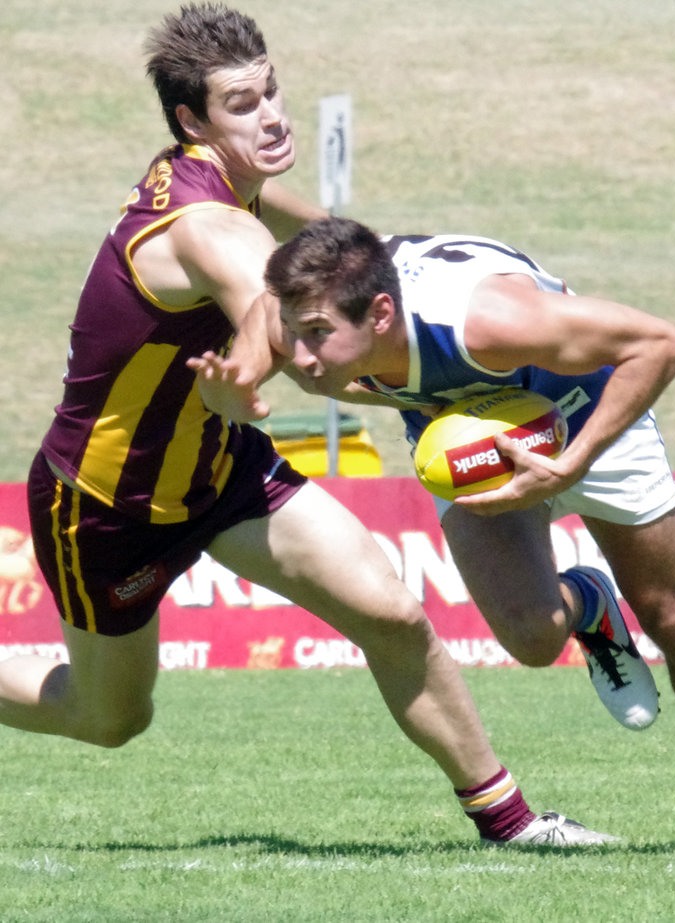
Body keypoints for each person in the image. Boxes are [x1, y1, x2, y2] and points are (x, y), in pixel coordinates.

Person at [1, 3, 615, 849]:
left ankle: (511, 823)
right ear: (192, 121)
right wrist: (277, 377)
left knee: (393, 614)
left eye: (273, 92)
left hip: (225, 472)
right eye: (244, 105)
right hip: (107, 503)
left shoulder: (238, 187)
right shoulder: (206, 226)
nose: (274, 114)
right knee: (108, 718)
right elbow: (276, 309)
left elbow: (323, 246)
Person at [190, 217, 675, 851]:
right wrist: (228, 398)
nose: (303, 355)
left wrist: (574, 462)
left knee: (673, 615)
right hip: (464, 431)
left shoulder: (488, 322)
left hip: (584, 410)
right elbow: (261, 332)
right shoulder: (290, 326)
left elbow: (661, 343)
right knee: (532, 639)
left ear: (380, 314)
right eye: (294, 335)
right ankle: (588, 603)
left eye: (319, 335)